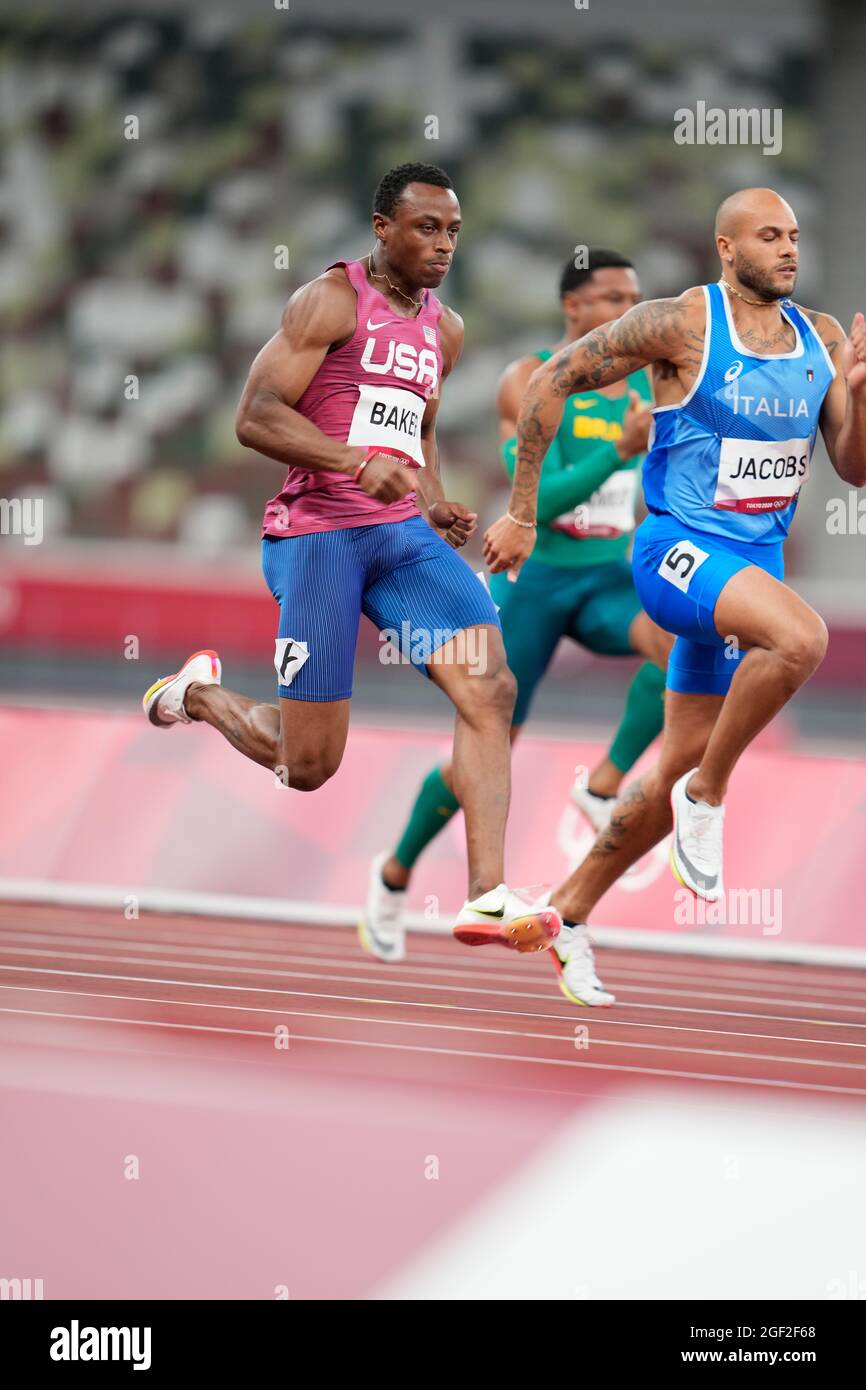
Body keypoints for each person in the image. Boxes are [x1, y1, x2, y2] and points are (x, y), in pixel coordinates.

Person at [142, 161, 560, 955]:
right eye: (427, 228)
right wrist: (351, 461)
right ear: (383, 229)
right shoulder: (331, 300)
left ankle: (486, 896)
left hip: (402, 538)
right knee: (306, 766)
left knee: (492, 686)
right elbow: (255, 415)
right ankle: (197, 695)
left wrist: (433, 496)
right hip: (319, 536)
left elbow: (419, 423)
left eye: (454, 232)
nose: (443, 246)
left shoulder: (447, 329)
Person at [484, 187, 866, 1003]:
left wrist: (861, 397)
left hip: (747, 577)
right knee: (801, 641)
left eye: (795, 235)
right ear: (727, 249)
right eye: (769, 236)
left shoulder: (822, 338)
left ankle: (567, 913)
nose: (789, 249)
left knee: (670, 766)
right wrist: (522, 509)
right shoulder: (680, 325)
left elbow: (855, 465)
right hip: (676, 554)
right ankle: (711, 792)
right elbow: (554, 379)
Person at [363, 250, 673, 1003]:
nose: (631, 312)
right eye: (613, 299)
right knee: (487, 750)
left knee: (683, 642)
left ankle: (601, 788)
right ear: (574, 308)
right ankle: (396, 872)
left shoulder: (647, 379)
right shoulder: (530, 380)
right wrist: (619, 450)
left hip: (605, 578)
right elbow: (542, 493)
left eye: (637, 299)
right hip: (533, 587)